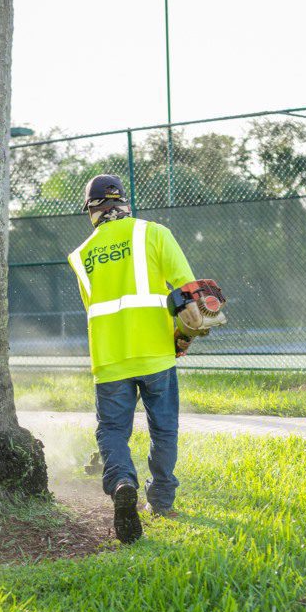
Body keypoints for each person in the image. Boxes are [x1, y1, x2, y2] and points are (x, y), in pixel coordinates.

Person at [67, 174, 196, 544]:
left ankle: (123, 481)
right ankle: (162, 501)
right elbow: (189, 294)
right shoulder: (154, 233)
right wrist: (184, 336)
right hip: (156, 353)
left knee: (112, 431)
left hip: (110, 358)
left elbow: (93, 308)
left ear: (91, 210)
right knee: (164, 429)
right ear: (123, 202)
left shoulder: (80, 255)